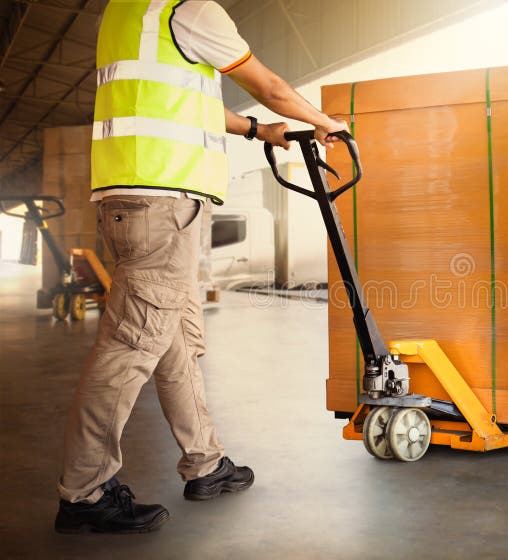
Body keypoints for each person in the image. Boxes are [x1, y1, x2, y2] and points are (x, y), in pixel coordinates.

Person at [54, 0, 347, 534]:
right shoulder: (189, 10)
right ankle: (84, 492)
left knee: (177, 342)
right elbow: (271, 85)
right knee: (128, 348)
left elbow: (182, 107)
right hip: (161, 206)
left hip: (138, 202)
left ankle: (206, 464)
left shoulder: (127, 15)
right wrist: (325, 123)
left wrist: (260, 132)